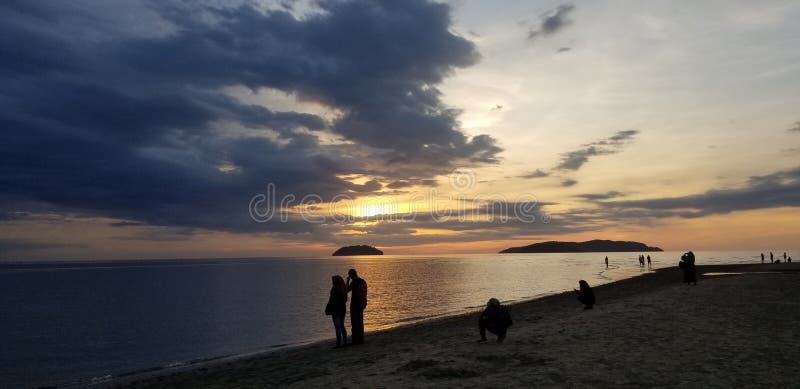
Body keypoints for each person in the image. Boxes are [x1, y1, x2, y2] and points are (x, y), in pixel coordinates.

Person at [346, 268, 367, 345]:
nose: (349, 276)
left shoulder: (354, 282)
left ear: (351, 275)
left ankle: (355, 340)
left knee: (354, 322)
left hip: (355, 305)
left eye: (349, 275)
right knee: (360, 322)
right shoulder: (363, 281)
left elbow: (347, 290)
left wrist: (347, 281)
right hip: (362, 304)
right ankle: (361, 339)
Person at [325, 275, 348, 348]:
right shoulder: (343, 289)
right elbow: (345, 300)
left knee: (338, 327)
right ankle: (345, 342)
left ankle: (339, 343)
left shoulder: (334, 289)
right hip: (342, 310)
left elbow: (331, 300)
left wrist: (328, 308)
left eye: (333, 281)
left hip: (335, 310)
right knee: (342, 326)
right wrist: (347, 281)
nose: (332, 282)